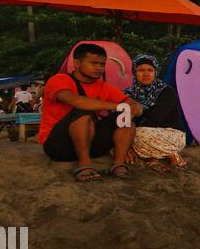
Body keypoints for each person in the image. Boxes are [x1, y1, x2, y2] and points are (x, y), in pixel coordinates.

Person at [38, 42, 139, 180]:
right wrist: (117, 106)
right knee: (83, 111)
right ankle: (85, 165)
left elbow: (136, 106)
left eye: (102, 64)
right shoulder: (59, 80)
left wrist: (129, 111)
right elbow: (76, 101)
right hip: (58, 146)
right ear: (77, 63)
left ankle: (119, 164)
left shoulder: (103, 86)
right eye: (93, 63)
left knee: (125, 117)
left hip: (91, 145)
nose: (99, 68)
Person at [124, 54, 188, 171]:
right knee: (123, 135)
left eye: (150, 70)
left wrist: (129, 136)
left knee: (132, 135)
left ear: (156, 72)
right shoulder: (128, 93)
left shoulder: (166, 91)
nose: (146, 74)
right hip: (142, 131)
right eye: (141, 70)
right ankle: (153, 158)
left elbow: (155, 118)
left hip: (171, 134)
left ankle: (173, 157)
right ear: (134, 72)